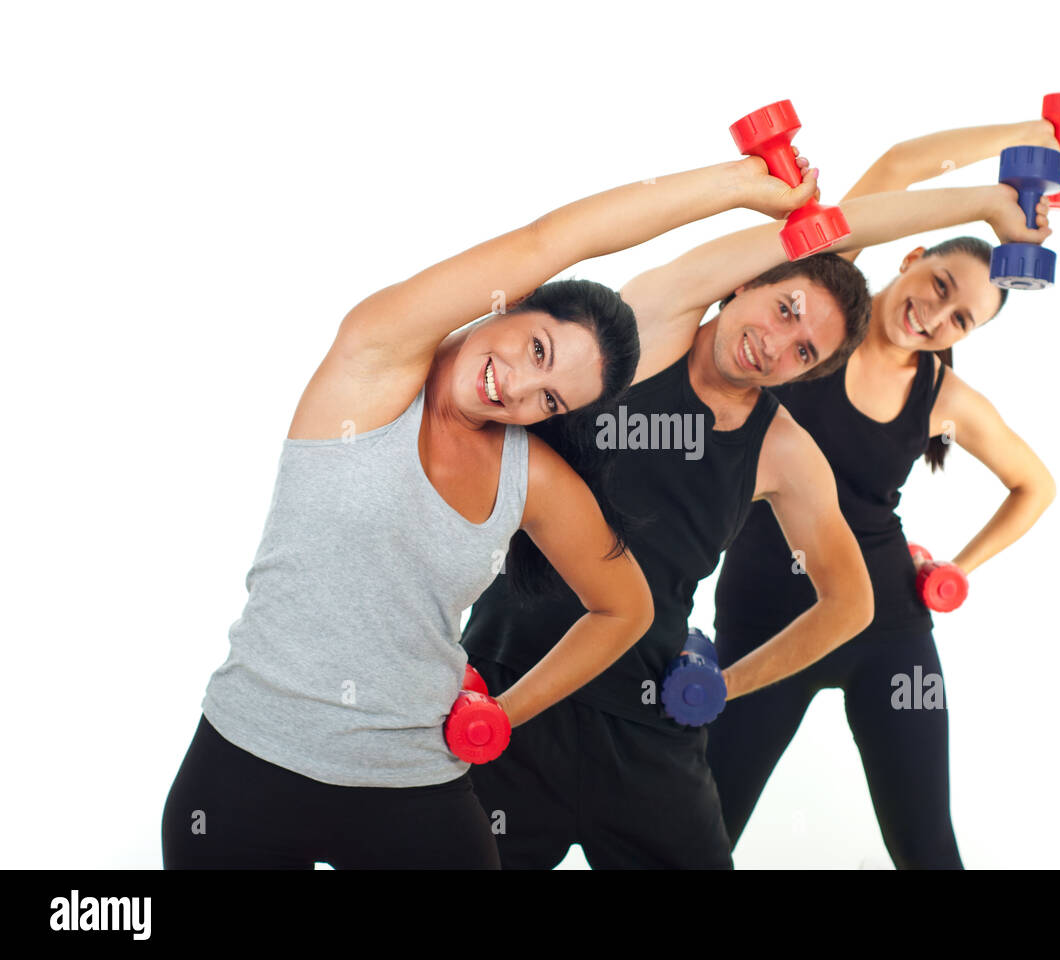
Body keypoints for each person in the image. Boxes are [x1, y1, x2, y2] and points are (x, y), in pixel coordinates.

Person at [160, 151, 820, 869]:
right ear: (513, 302)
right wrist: (739, 188)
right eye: (537, 349)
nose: (519, 389)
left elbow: (624, 607)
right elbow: (553, 239)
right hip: (247, 764)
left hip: (412, 780)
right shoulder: (371, 363)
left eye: (551, 400)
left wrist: (506, 713)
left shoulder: (527, 474)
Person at [461, 144, 1054, 868]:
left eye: (804, 351)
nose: (777, 344)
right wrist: (991, 202)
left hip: (646, 722)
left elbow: (852, 603)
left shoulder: (784, 449)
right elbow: (838, 221)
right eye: (783, 308)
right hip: (511, 685)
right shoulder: (649, 331)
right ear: (743, 284)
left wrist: (724, 685)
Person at [707, 118, 1060, 868]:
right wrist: (1036, 136)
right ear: (910, 256)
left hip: (888, 633)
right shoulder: (824, 310)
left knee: (928, 849)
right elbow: (900, 164)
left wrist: (958, 571)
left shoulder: (944, 397)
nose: (934, 315)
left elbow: (1034, 485)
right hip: (765, 623)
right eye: (938, 285)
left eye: (958, 318)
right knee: (699, 839)